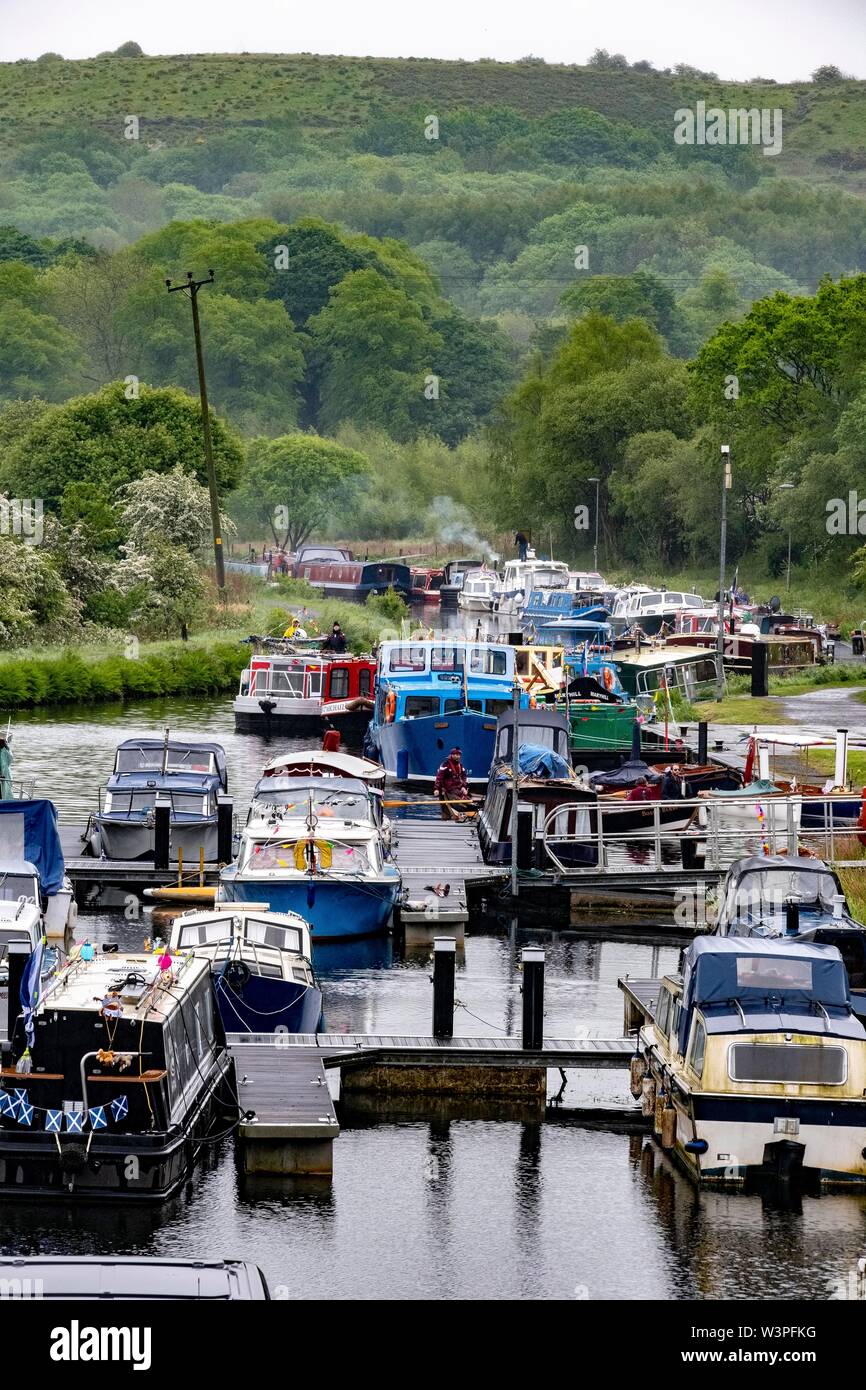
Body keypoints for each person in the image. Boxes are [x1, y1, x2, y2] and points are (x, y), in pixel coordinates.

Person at [434, 747, 470, 819]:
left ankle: (459, 815)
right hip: (447, 790)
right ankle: (446, 819)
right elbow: (439, 777)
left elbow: (464, 777)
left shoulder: (460, 766)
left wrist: (464, 787)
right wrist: (437, 789)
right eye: (456, 754)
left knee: (465, 799)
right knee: (445, 809)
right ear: (452, 755)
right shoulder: (445, 765)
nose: (458, 756)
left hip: (457, 789)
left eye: (459, 755)